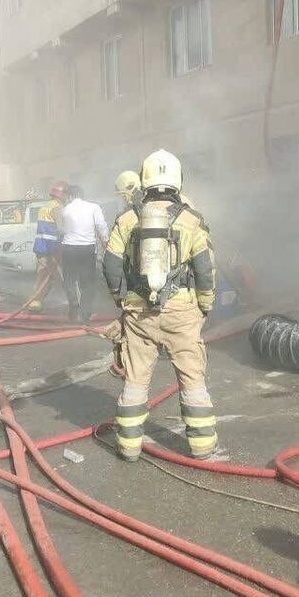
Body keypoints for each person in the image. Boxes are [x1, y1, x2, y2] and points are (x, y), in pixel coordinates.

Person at [102, 149, 218, 462]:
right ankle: (203, 447)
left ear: (145, 179)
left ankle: (128, 446)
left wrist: (121, 300)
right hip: (182, 312)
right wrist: (204, 306)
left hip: (139, 312)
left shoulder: (127, 219)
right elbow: (205, 270)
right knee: (192, 379)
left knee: (136, 379)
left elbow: (111, 266)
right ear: (178, 180)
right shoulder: (192, 220)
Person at [60, 185, 108, 324]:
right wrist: (105, 241)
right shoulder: (94, 207)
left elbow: (64, 230)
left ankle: (74, 302)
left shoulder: (65, 210)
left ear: (70, 196)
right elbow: (101, 225)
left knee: (69, 279)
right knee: (87, 283)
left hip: (68, 248)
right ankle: (84, 314)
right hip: (87, 249)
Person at [27, 180, 67, 313]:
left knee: (44, 275)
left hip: (41, 247)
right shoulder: (57, 207)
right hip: (52, 247)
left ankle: (36, 300)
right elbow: (61, 229)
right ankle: (72, 300)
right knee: (60, 274)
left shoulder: (45, 206)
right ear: (63, 195)